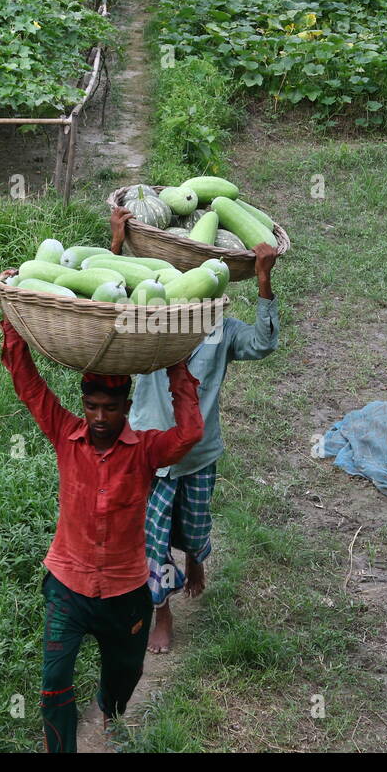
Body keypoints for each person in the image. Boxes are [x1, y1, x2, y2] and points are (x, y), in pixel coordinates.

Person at [0, 309, 203, 752]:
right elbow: (30, 387)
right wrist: (12, 325)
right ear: (83, 405)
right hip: (67, 588)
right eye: (92, 407)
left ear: (127, 409)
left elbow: (190, 433)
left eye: (110, 408)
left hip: (126, 592)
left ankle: (110, 710)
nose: (100, 417)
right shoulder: (64, 433)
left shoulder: (145, 450)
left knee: (124, 677)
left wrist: (177, 368)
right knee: (53, 684)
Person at [109, 206, 280, 654]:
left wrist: (263, 281)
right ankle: (161, 611)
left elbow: (263, 343)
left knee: (195, 523)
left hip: (200, 451)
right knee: (152, 541)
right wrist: (117, 243)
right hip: (152, 454)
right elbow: (104, 306)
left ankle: (196, 559)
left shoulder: (218, 328)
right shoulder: (147, 318)